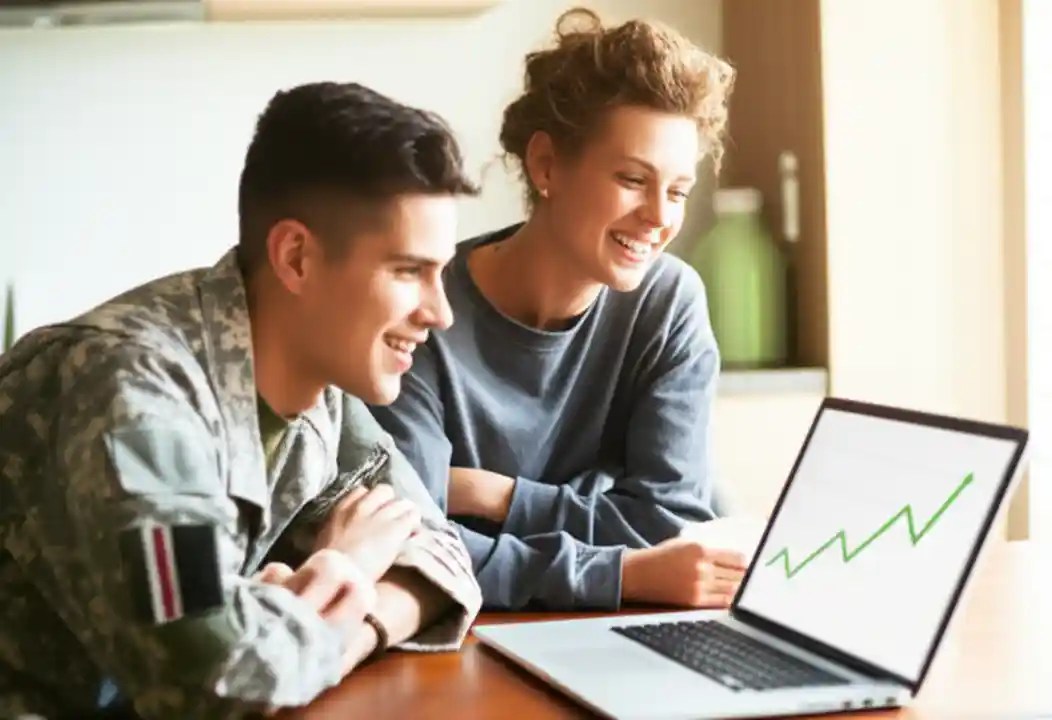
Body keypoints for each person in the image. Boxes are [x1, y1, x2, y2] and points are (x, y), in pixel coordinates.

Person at [0, 81, 483, 719]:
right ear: (297, 258)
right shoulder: (134, 393)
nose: (440, 313)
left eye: (440, 272)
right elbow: (217, 680)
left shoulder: (320, 384)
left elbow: (440, 556)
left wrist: (339, 607)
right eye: (406, 271)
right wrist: (350, 563)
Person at [370, 8, 746, 611]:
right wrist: (617, 571)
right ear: (546, 165)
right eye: (631, 178)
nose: (659, 217)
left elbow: (669, 524)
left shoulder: (668, 304)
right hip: (463, 639)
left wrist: (497, 497)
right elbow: (412, 542)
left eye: (677, 191)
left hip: (614, 632)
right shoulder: (422, 313)